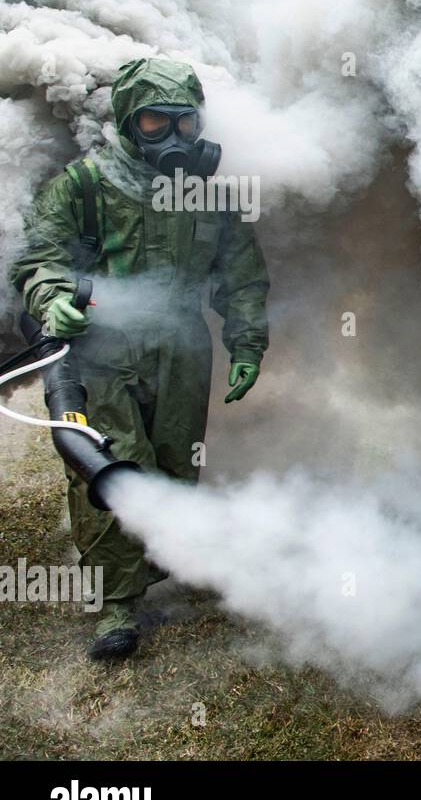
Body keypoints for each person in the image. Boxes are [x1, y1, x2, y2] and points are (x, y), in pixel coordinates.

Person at [10, 58, 269, 661]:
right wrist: (54, 304)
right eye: (156, 122)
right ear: (129, 122)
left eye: (185, 123)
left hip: (183, 344)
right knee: (113, 468)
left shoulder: (212, 192)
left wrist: (247, 342)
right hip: (102, 347)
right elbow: (37, 260)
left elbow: (242, 274)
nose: (174, 138)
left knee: (175, 459)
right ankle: (115, 603)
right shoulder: (82, 184)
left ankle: (164, 560)